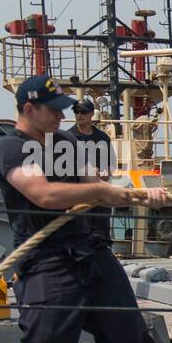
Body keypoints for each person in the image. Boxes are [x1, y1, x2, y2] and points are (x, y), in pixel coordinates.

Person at [0, 75, 172, 343]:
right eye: (53, 110)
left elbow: (95, 184)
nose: (61, 117)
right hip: (47, 260)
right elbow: (44, 195)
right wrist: (98, 193)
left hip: (90, 252)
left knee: (128, 328)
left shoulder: (66, 143)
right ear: (28, 109)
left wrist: (145, 195)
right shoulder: (11, 149)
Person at [67, 97, 115, 244]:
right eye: (76, 111)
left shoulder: (103, 138)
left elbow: (111, 164)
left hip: (99, 197)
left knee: (101, 238)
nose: (79, 115)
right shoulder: (68, 138)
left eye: (83, 112)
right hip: (77, 196)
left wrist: (106, 172)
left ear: (91, 114)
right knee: (78, 237)